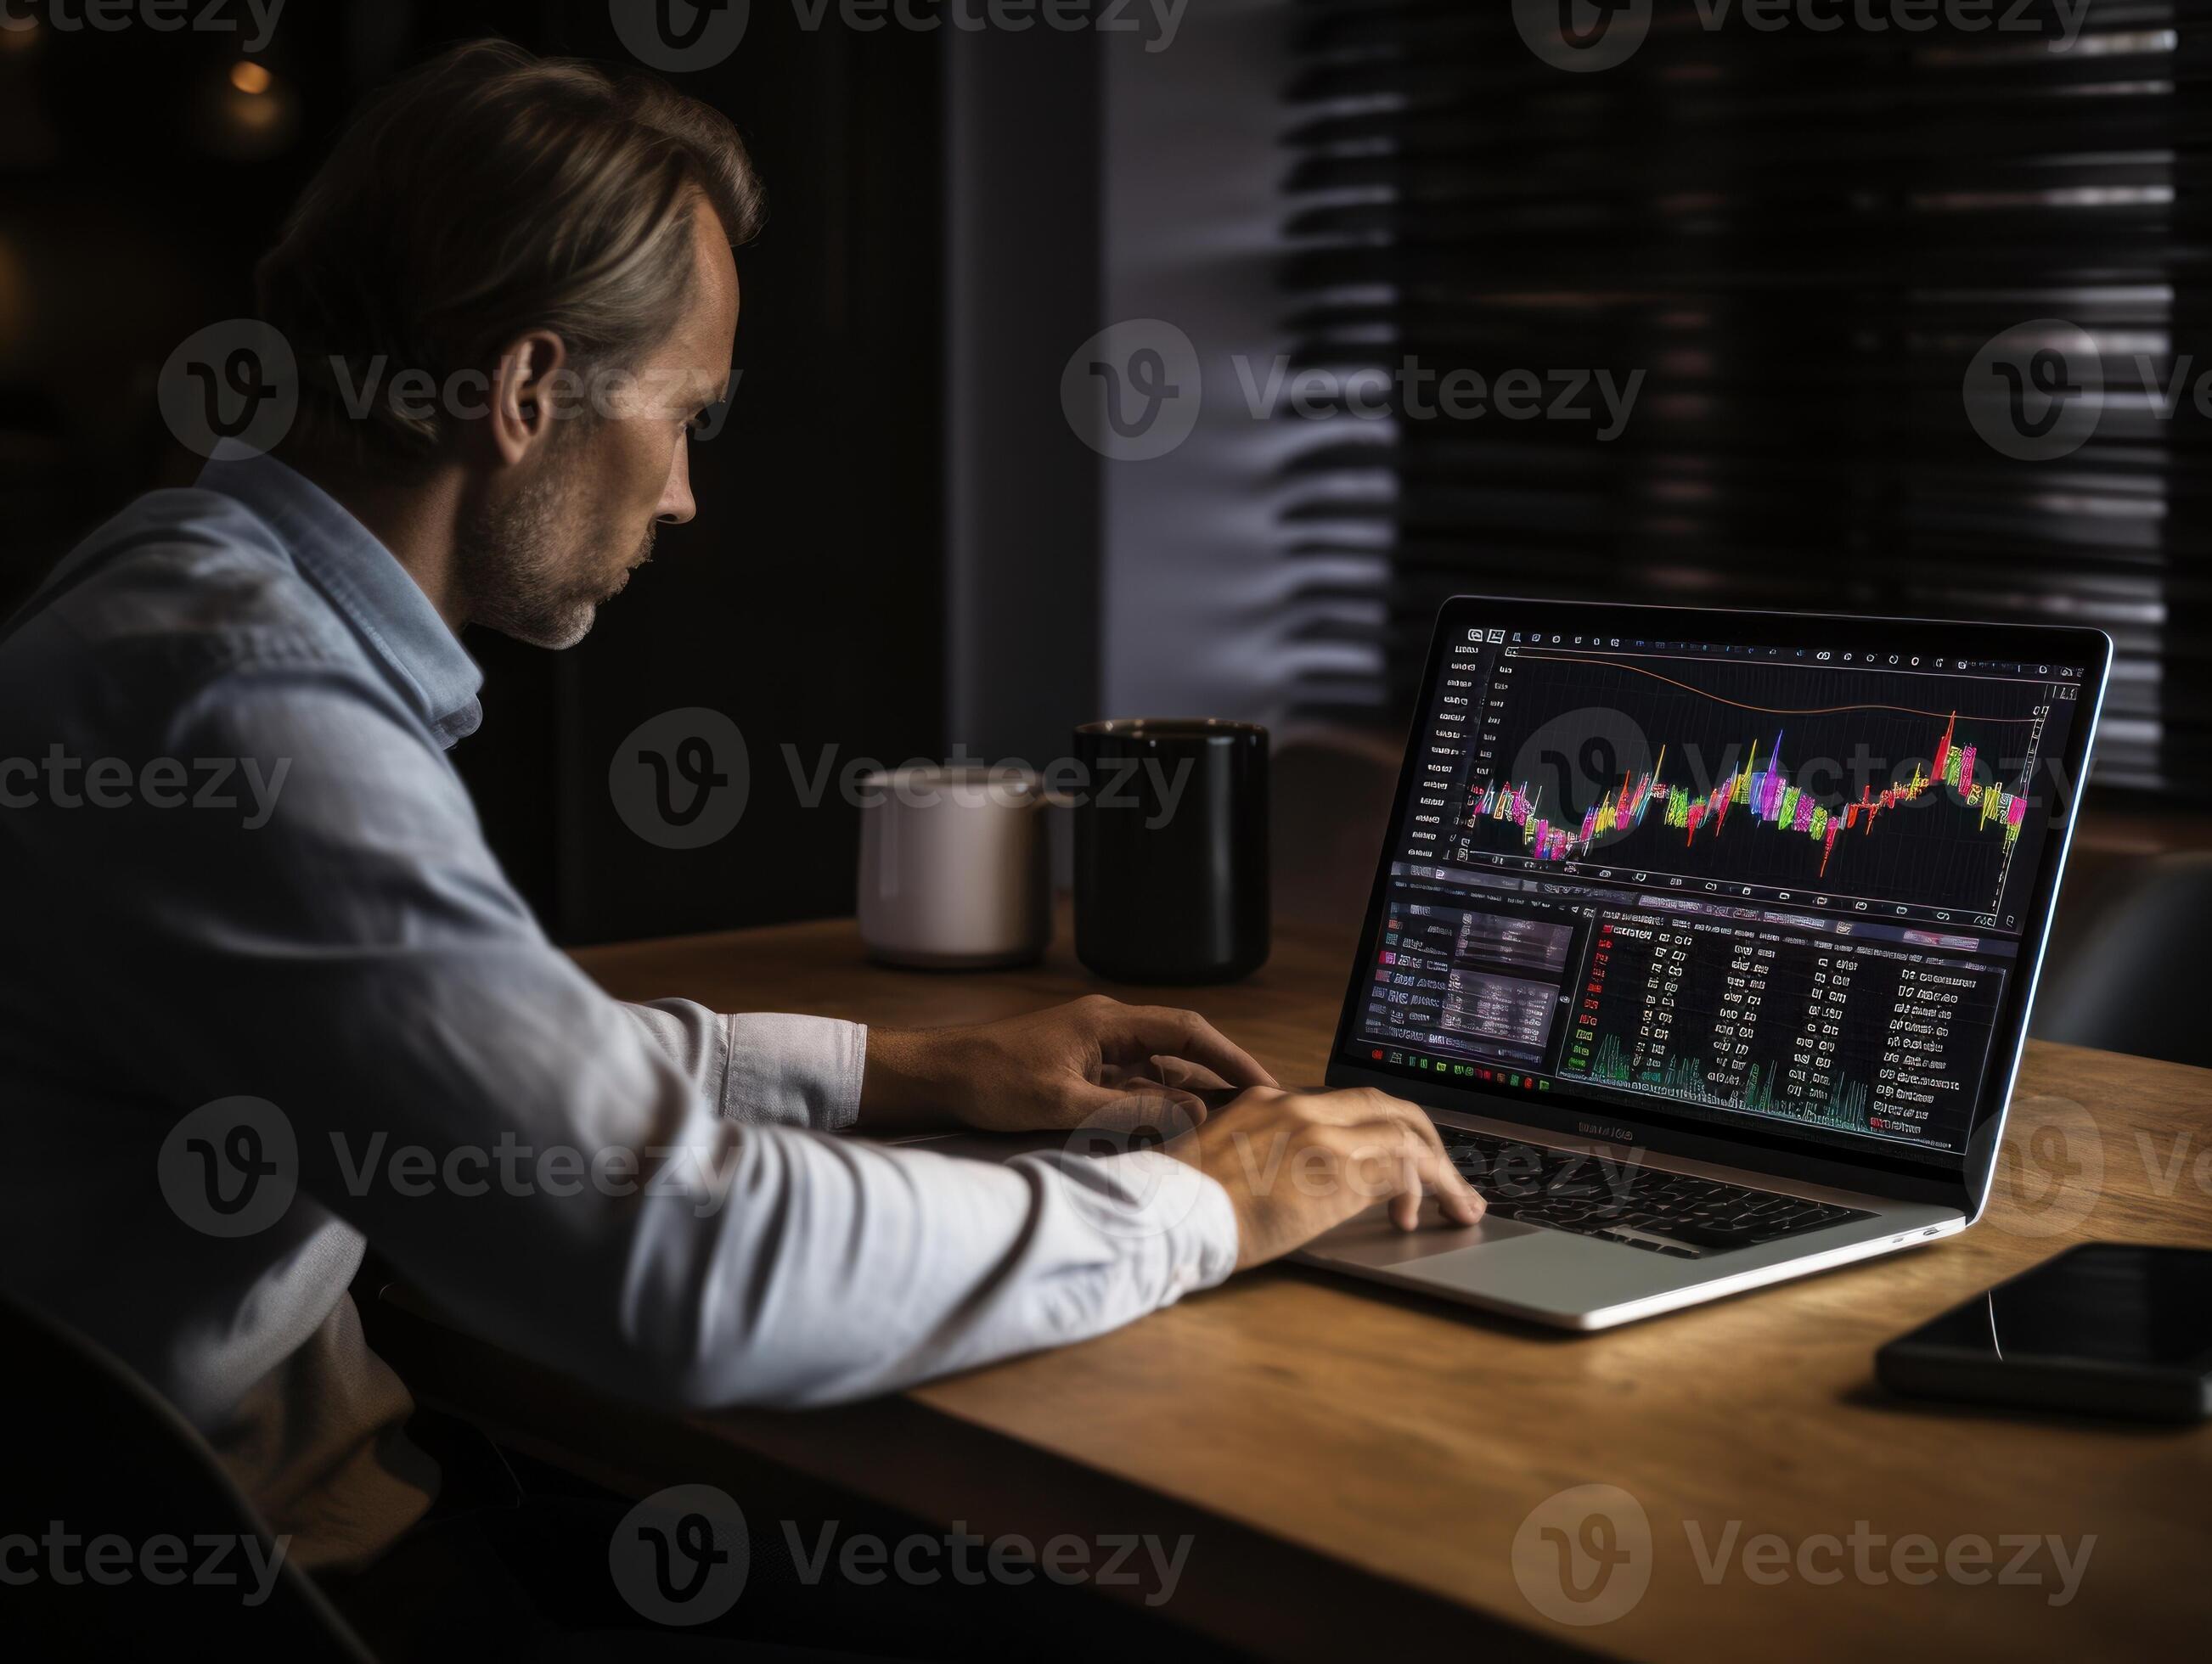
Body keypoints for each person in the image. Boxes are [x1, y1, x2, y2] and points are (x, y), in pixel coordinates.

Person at [0, 36, 1483, 1624]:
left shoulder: (183, 613)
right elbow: (674, 1262)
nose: (689, 495)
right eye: (688, 414)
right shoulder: (241, 708)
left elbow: (466, 1067)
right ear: (527, 393)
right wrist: (1217, 1202)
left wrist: (904, 1070)